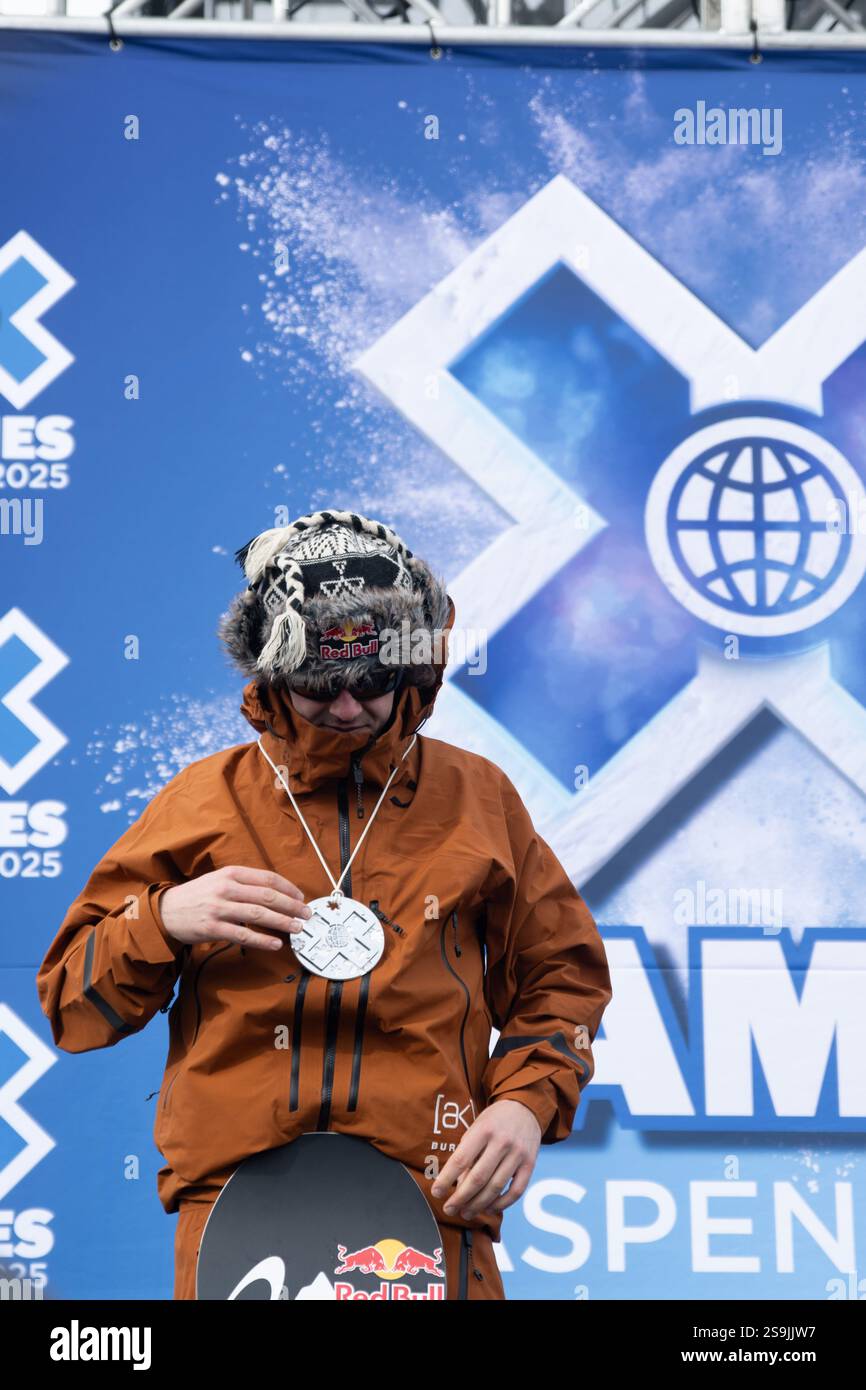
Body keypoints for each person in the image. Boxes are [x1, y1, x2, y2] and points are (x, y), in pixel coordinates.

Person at [36, 507, 613, 1301]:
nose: (347, 708)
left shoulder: (478, 799)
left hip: (433, 1199)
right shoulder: (203, 801)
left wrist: (524, 1103)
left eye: (373, 681)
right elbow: (73, 1004)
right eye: (318, 684)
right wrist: (162, 920)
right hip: (238, 1208)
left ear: (412, 668)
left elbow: (563, 976)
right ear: (271, 672)